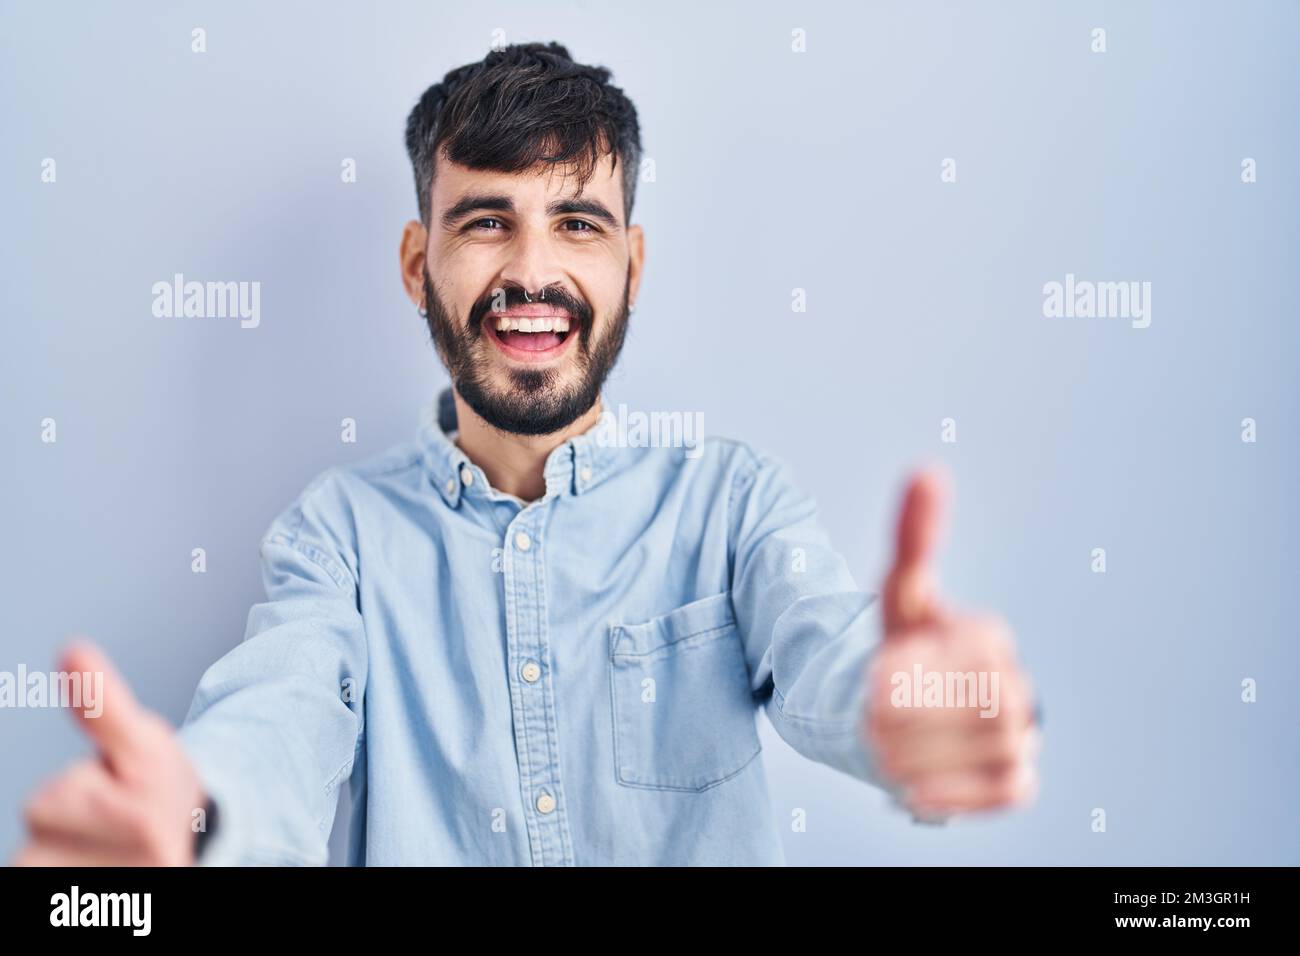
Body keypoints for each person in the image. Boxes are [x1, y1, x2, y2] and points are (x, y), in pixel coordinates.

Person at [15, 41, 1039, 866]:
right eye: (487, 220)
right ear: (421, 265)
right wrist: (194, 819)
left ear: (631, 266)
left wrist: (922, 704)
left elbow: (836, 657)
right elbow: (275, 722)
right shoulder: (337, 537)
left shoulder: (731, 505)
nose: (532, 271)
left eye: (578, 222)